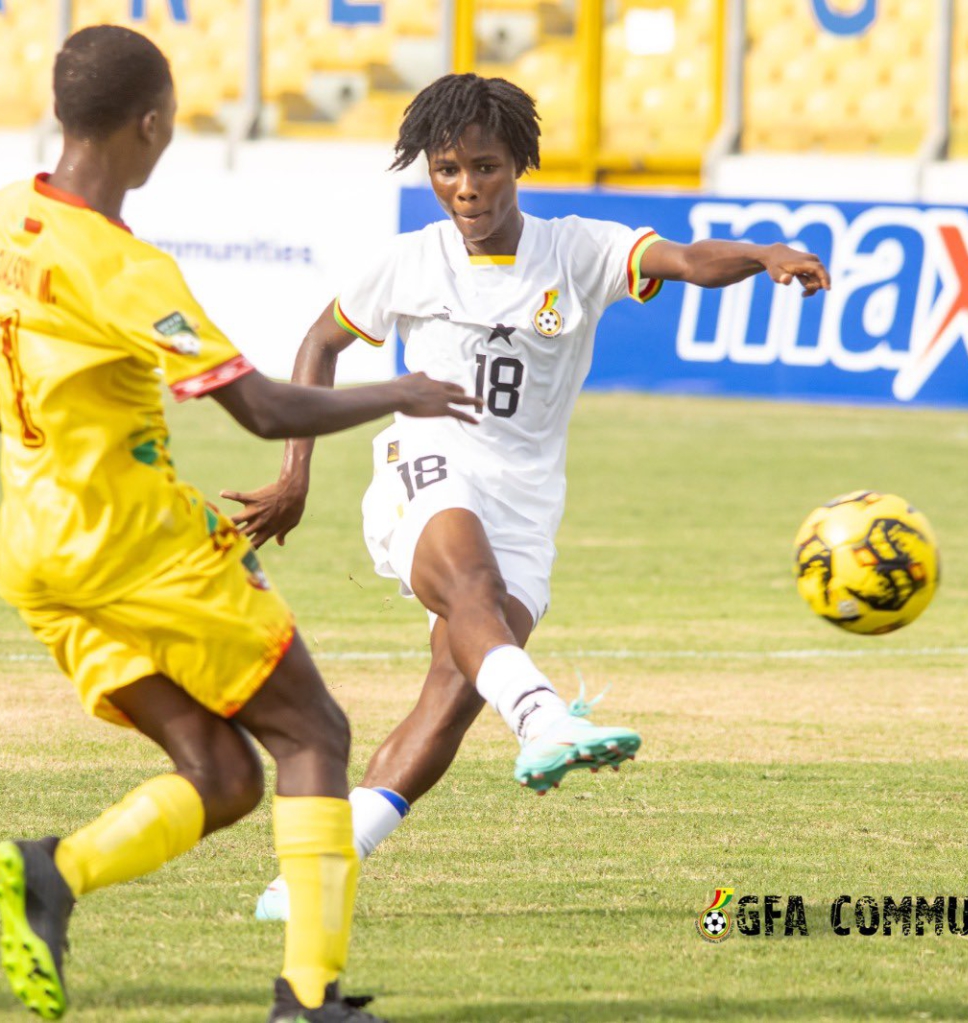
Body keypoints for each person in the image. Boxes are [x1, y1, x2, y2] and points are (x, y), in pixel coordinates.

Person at [0, 26, 480, 1022]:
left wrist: (55, 447)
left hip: (37, 556)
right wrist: (403, 390)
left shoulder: (0, 220)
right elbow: (261, 408)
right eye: (171, 118)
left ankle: (55, 873)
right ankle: (310, 997)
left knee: (222, 775)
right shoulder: (125, 268)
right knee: (313, 731)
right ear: (150, 124)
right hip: (139, 550)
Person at [229, 74, 831, 922]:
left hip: (525, 499)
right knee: (471, 588)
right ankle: (545, 718)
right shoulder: (411, 261)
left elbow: (689, 261)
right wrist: (297, 473)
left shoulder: (578, 250)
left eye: (484, 168)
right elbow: (320, 343)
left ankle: (318, 868)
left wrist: (764, 255)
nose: (465, 188)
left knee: (454, 688)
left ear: (518, 163)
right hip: (425, 460)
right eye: (446, 170)